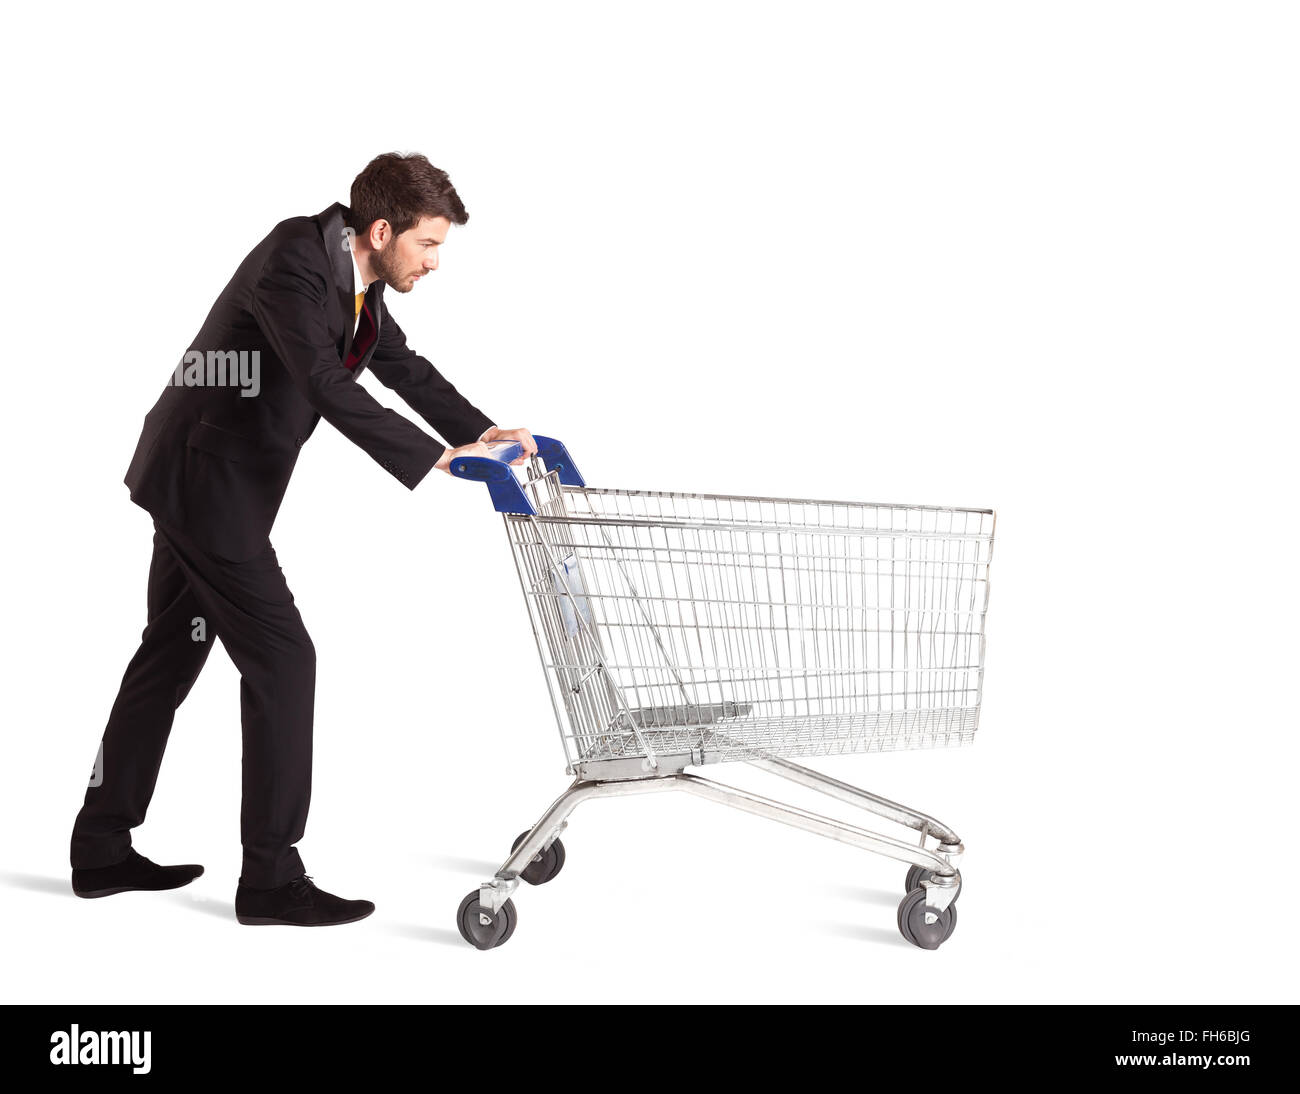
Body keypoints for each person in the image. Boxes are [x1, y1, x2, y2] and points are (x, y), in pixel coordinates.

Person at [69, 152, 535, 926]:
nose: (435, 261)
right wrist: (436, 460)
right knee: (285, 660)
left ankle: (100, 846)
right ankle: (270, 877)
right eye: (429, 244)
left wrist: (481, 432)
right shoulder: (294, 261)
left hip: (208, 483)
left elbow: (403, 369)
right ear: (381, 230)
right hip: (205, 486)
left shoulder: (360, 288)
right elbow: (322, 380)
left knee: (169, 653)